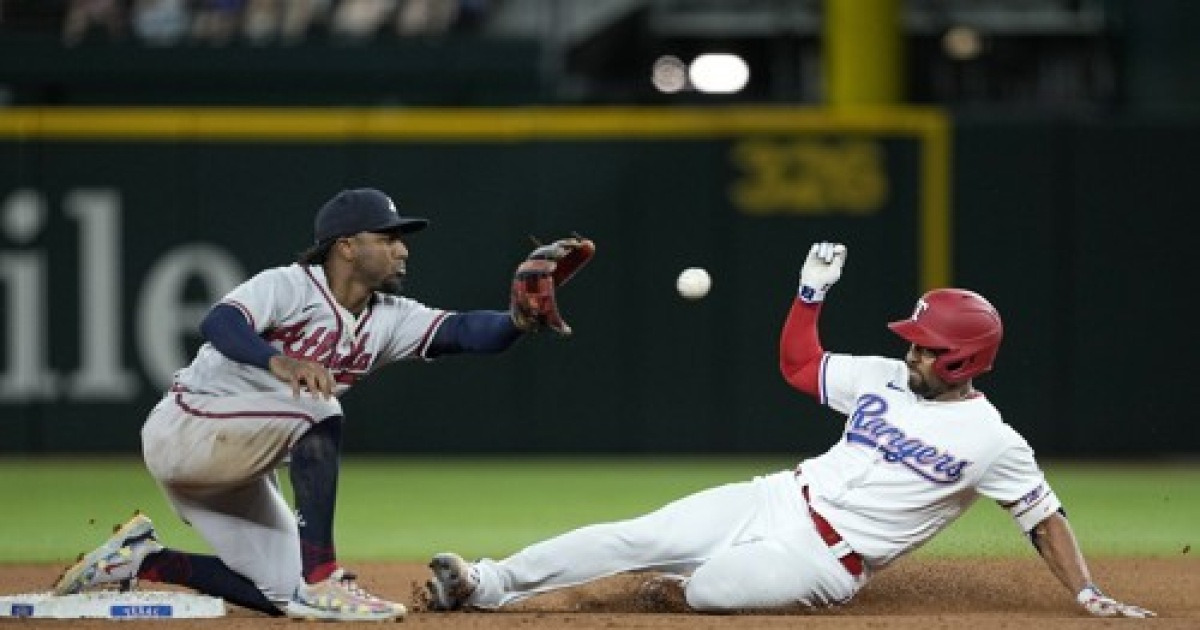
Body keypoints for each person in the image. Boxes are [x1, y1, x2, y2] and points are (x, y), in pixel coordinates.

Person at [423, 241, 1154, 618]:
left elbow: (1043, 517)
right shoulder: (884, 376)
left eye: (927, 344)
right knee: (634, 535)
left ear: (964, 356)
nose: (912, 348)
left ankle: (676, 593)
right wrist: (810, 295)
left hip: (826, 564)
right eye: (914, 337)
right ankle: (484, 585)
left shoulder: (993, 441)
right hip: (776, 497)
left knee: (706, 592)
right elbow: (799, 365)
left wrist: (1086, 593)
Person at [52, 187, 592, 621]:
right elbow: (219, 321)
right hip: (186, 430)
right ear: (346, 245)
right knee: (319, 409)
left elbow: (467, 332)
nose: (403, 248)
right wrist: (277, 362)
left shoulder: (388, 317)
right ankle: (325, 577)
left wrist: (519, 320)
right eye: (389, 237)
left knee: (282, 596)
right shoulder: (291, 285)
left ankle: (141, 560)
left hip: (240, 467)